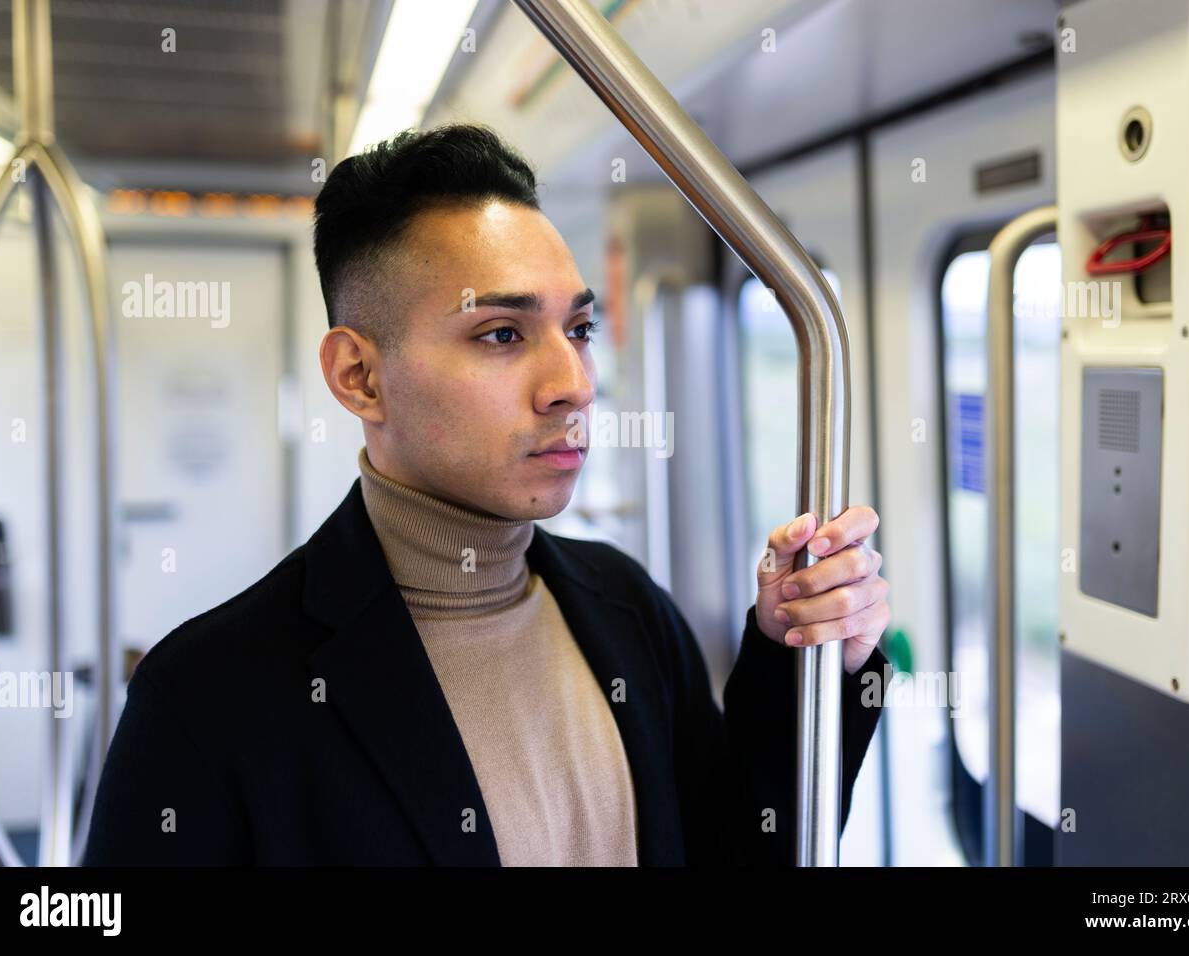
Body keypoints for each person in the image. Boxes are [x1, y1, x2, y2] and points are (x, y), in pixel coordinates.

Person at [83, 124, 891, 866]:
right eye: (502, 335)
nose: (573, 385)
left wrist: (806, 661)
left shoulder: (625, 608)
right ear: (359, 377)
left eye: (577, 330)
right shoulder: (209, 700)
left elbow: (735, 848)